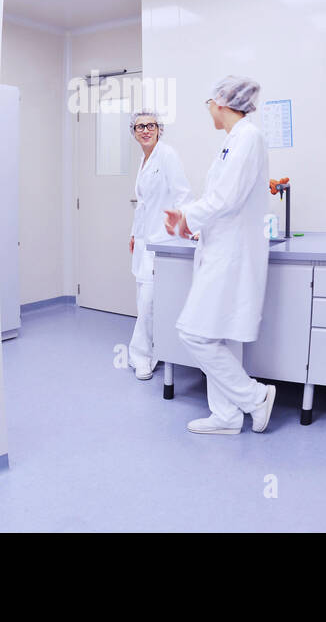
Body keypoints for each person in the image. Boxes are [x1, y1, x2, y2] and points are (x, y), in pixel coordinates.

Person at [164, 77, 274, 435]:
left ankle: (254, 398)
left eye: (209, 102)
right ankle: (227, 417)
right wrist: (192, 224)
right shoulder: (235, 140)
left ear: (222, 103)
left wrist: (187, 216)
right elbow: (225, 200)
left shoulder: (247, 138)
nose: (209, 109)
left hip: (232, 253)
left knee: (195, 333)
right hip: (223, 246)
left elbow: (227, 199)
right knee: (219, 333)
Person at [127, 109, 190, 381]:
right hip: (143, 240)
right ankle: (153, 351)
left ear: (158, 129)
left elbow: (183, 194)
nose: (145, 130)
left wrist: (188, 227)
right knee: (144, 300)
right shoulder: (144, 159)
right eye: (139, 127)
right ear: (134, 132)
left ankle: (141, 356)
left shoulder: (167, 155)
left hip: (162, 240)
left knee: (148, 302)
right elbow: (142, 204)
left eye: (150, 125)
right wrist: (133, 233)